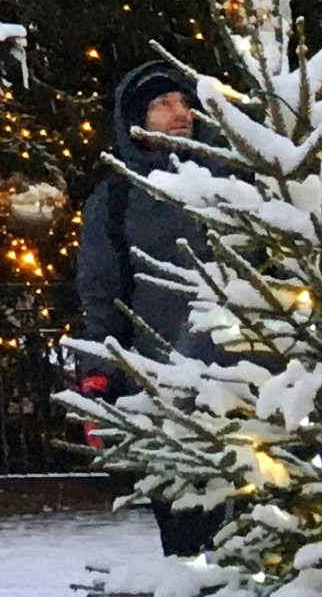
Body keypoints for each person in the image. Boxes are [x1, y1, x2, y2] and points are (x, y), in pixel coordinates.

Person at [76, 60, 217, 556]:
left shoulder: (234, 182)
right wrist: (98, 382)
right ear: (137, 118)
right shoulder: (116, 198)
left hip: (250, 388)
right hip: (164, 394)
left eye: (184, 102)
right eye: (163, 104)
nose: (180, 114)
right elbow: (101, 297)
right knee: (188, 542)